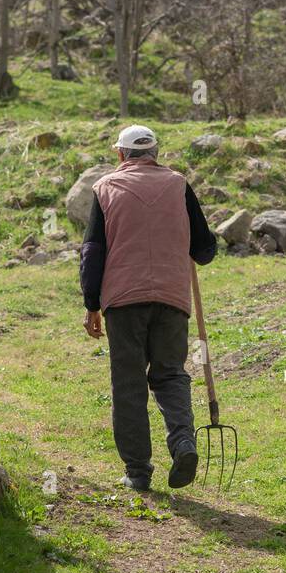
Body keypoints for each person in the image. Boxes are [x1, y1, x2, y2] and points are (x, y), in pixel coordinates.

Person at [79, 125, 217, 491]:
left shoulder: (106, 188)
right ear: (156, 152)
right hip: (172, 298)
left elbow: (93, 251)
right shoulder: (179, 185)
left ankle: (138, 472)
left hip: (123, 301)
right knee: (171, 374)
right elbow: (205, 250)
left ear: (120, 154)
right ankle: (183, 442)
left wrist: (91, 303)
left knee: (129, 383)